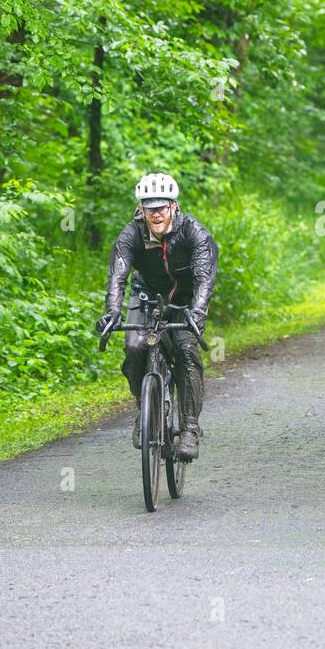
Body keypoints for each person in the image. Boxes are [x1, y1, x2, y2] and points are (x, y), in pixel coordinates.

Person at [98, 172, 218, 460]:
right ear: (141, 209)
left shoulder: (194, 233)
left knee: (187, 352)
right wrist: (113, 311)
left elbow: (204, 278)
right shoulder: (131, 234)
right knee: (135, 347)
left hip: (186, 301)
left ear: (173, 206)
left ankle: (189, 429)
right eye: (149, 208)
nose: (155, 214)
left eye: (161, 207)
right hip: (147, 296)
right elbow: (118, 275)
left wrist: (198, 314)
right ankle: (145, 410)